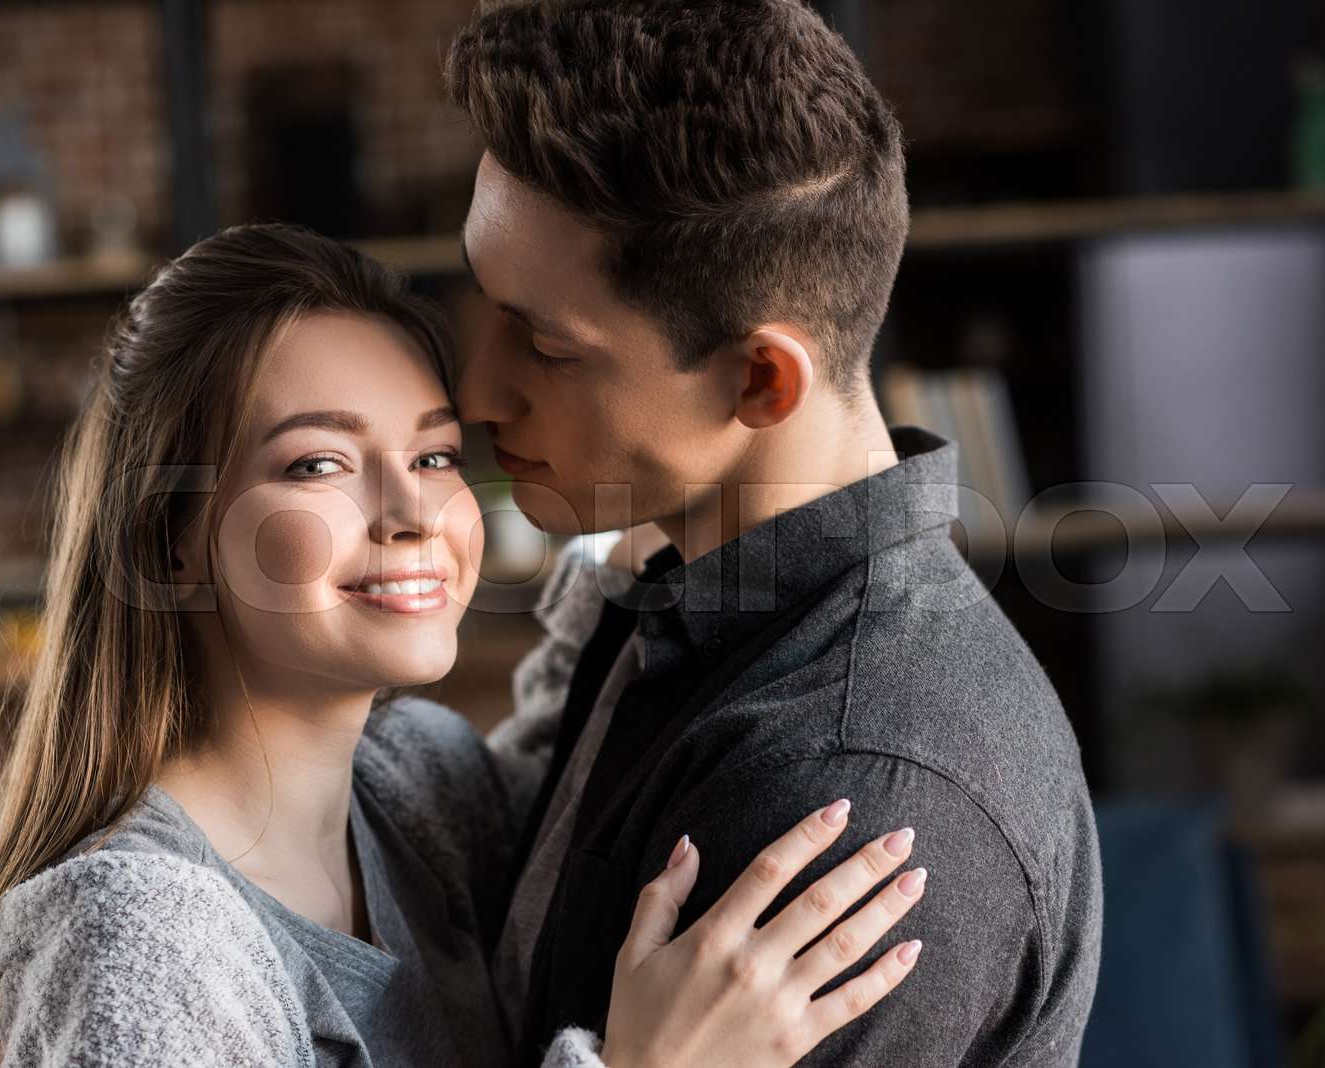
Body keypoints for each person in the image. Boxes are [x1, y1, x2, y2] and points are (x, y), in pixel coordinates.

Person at [0, 223, 929, 1068]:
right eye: (318, 462)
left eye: (434, 454)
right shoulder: (137, 936)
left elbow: (568, 747)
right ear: (172, 543)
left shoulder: (418, 792)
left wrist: (662, 532)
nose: (412, 511)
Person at [445, 1, 1103, 1063]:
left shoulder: (847, 798)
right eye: (486, 306)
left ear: (758, 378)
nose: (477, 392)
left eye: (543, 344)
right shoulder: (680, 592)